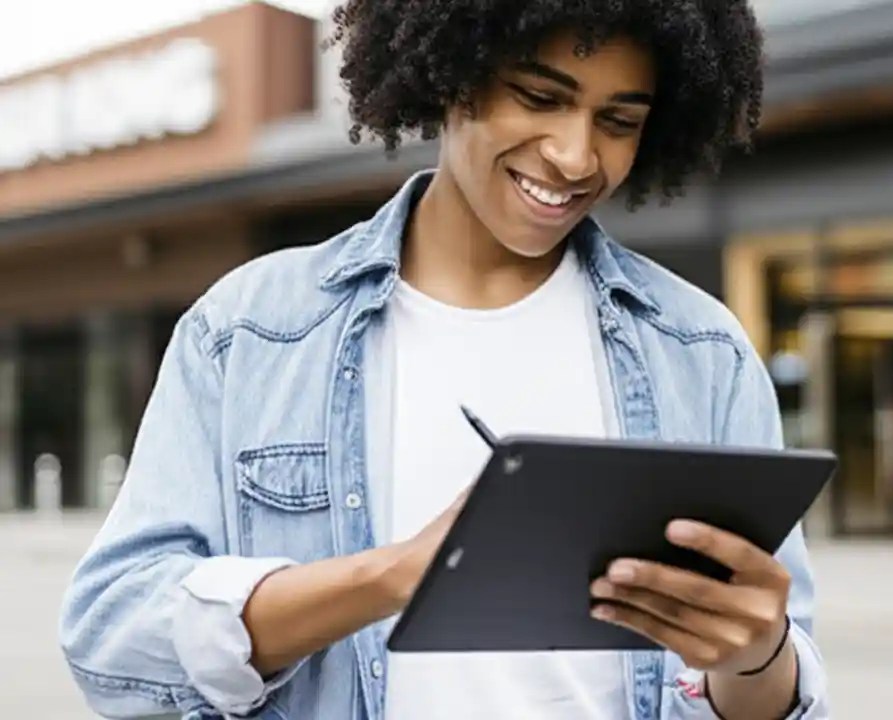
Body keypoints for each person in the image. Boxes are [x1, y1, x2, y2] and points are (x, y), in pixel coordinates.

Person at [59, 1, 829, 718]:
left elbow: (773, 690)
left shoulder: (702, 352)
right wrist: (392, 576)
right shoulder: (254, 328)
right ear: (454, 72)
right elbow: (112, 636)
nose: (573, 155)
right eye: (537, 97)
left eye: (618, 121)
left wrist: (757, 654)